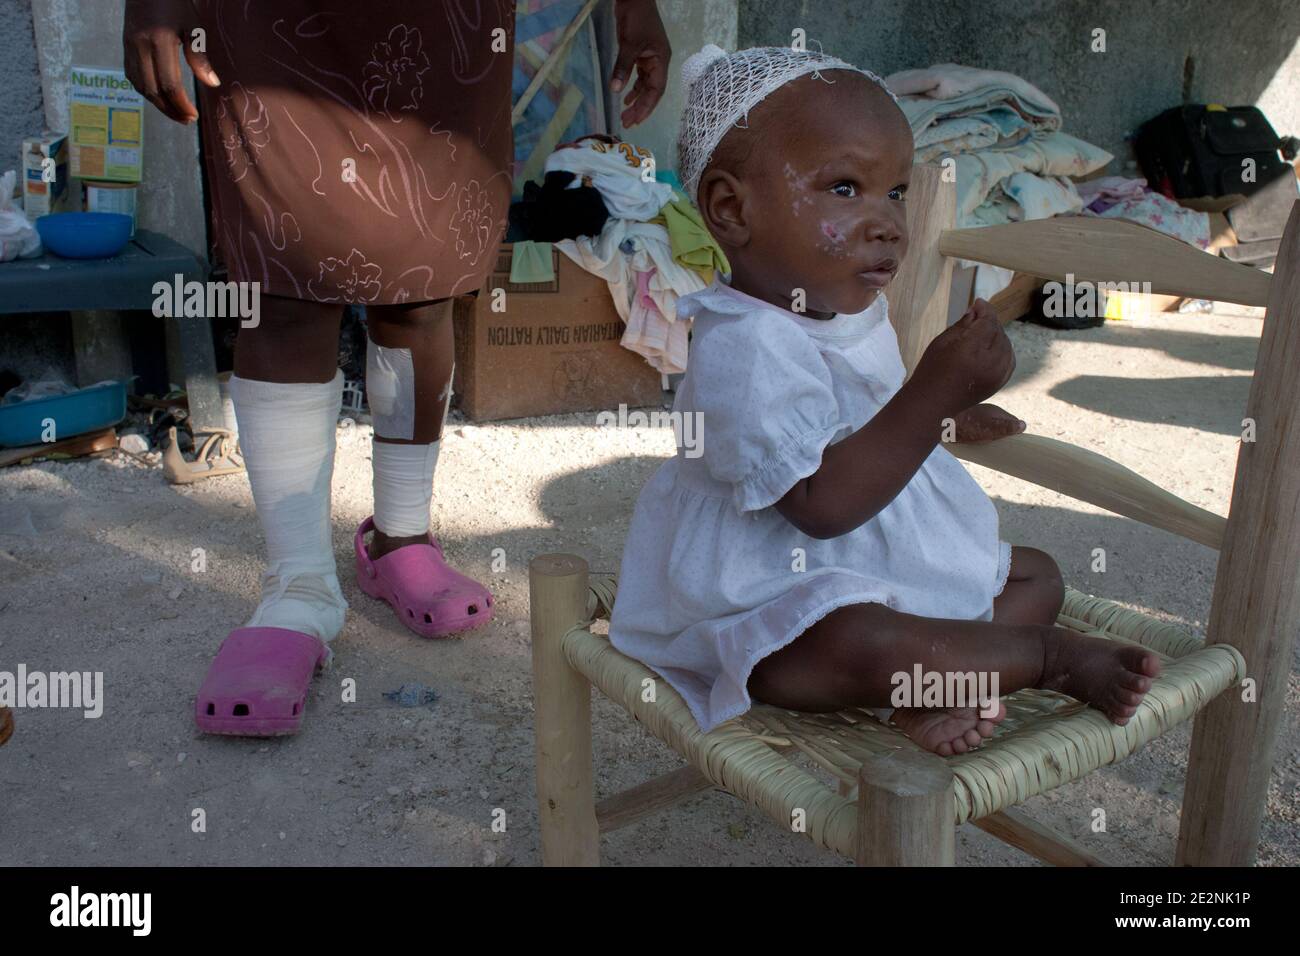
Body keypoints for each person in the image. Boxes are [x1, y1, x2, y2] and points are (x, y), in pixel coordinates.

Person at [122, 0, 671, 736]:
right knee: (282, 287)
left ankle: (402, 537)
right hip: (268, 27)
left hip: (448, 22)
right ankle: (298, 588)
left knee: (423, 282)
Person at [608, 45, 1160, 756]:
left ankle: (929, 692)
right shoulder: (742, 348)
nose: (887, 223)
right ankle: (1048, 659)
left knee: (1035, 576)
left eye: (895, 192)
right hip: (771, 589)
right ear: (729, 208)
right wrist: (931, 397)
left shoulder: (848, 307)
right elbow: (820, 506)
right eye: (844, 188)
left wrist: (945, 418)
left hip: (872, 554)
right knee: (859, 640)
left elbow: (866, 411)